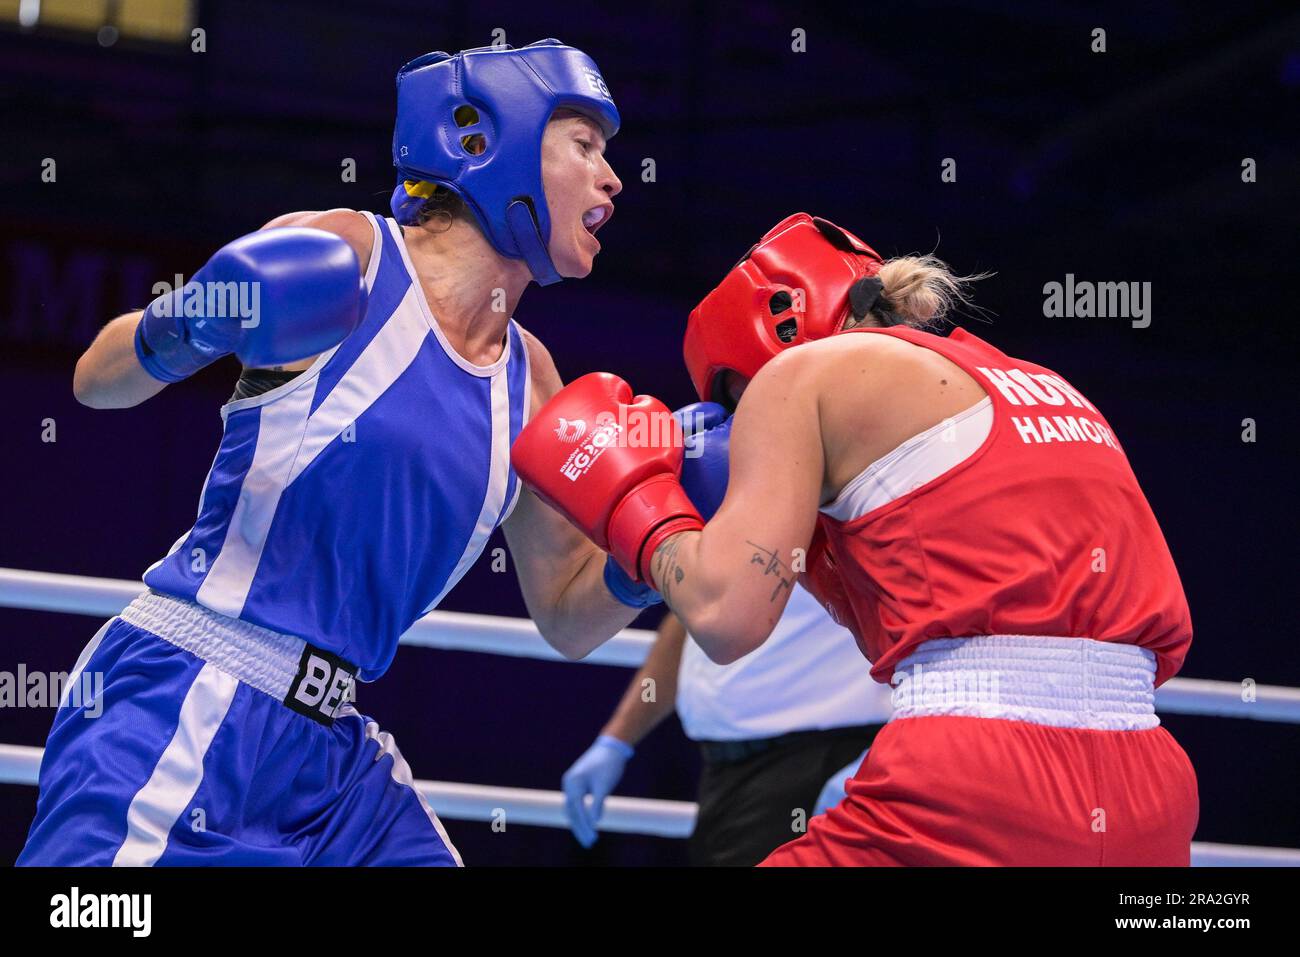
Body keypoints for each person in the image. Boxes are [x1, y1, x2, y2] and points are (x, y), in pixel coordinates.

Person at [18, 39, 663, 866]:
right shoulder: (349, 255)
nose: (612, 178)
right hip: (185, 689)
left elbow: (569, 616)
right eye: (585, 147)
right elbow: (93, 381)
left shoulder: (533, 382)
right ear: (486, 139)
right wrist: (197, 316)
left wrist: (647, 545)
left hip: (334, 762)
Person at [511, 212, 1199, 866]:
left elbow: (725, 617)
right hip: (1151, 779)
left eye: (735, 403)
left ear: (764, 348)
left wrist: (638, 506)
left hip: (977, 772)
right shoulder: (1043, 384)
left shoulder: (799, 376)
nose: (740, 430)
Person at [564, 587, 891, 866]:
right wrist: (617, 740)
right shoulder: (730, 521)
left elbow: (926, 616)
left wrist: (886, 751)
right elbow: (694, 614)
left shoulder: (860, 518)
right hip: (726, 777)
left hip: (821, 765)